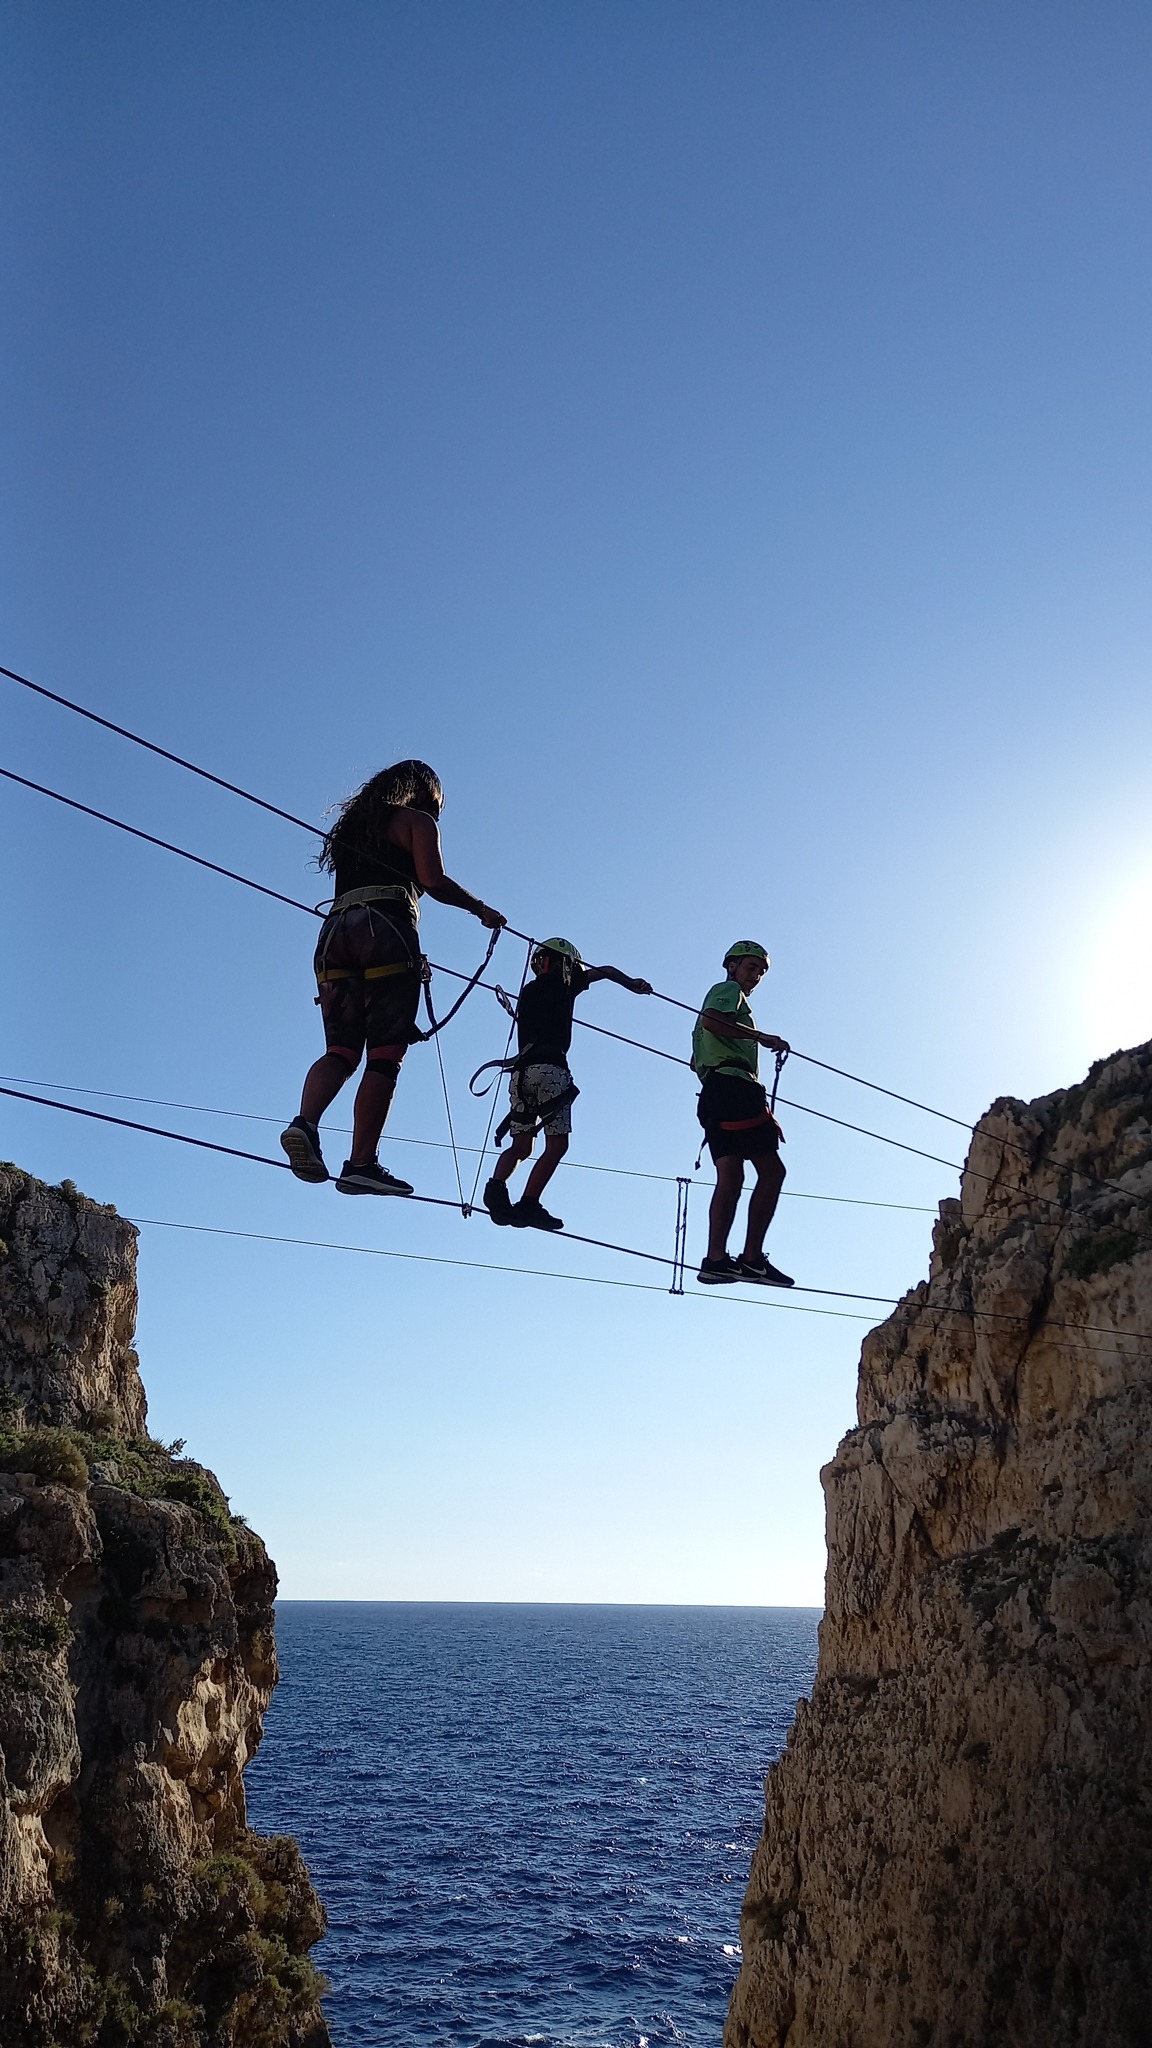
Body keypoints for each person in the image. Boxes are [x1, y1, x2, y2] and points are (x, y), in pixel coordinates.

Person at [280, 760, 505, 1195]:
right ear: (423, 794)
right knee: (384, 1056)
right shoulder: (416, 822)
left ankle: (304, 1123)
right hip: (385, 930)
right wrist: (480, 909)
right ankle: (361, 1163)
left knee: (341, 1051)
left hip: (334, 935)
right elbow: (433, 880)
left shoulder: (354, 829)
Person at [482, 939, 652, 1231]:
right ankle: (529, 1202)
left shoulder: (528, 991)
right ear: (566, 966)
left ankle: (496, 1188)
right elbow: (606, 971)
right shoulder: (565, 986)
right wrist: (631, 984)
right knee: (557, 1145)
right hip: (551, 1071)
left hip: (520, 1074)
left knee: (521, 1146)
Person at [692, 940, 793, 1286]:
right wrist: (760, 1037)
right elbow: (713, 1021)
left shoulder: (719, 1001)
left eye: (761, 971)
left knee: (731, 1176)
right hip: (736, 1088)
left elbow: (696, 1056)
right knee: (772, 1171)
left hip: (712, 1093)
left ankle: (716, 1259)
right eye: (752, 967)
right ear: (732, 965)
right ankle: (751, 1259)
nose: (757, 976)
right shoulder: (728, 991)